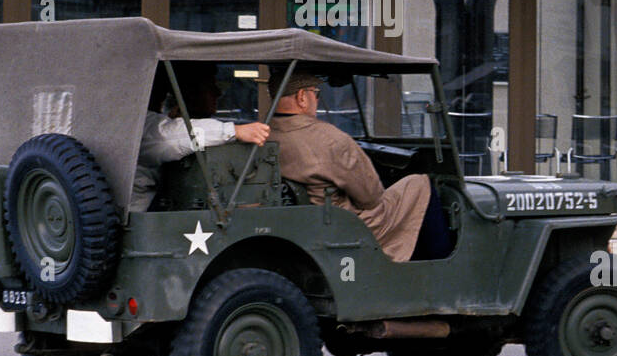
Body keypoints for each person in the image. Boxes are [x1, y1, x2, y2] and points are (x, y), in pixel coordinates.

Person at [267, 71, 441, 261]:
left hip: (305, 224)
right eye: (316, 94)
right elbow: (371, 198)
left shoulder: (264, 134)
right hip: (347, 225)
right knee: (419, 184)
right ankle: (439, 265)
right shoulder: (330, 140)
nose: (317, 100)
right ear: (302, 97)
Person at [129, 63, 269, 211]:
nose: (218, 92)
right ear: (187, 92)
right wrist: (234, 131)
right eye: (210, 85)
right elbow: (168, 139)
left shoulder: (157, 119)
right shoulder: (137, 125)